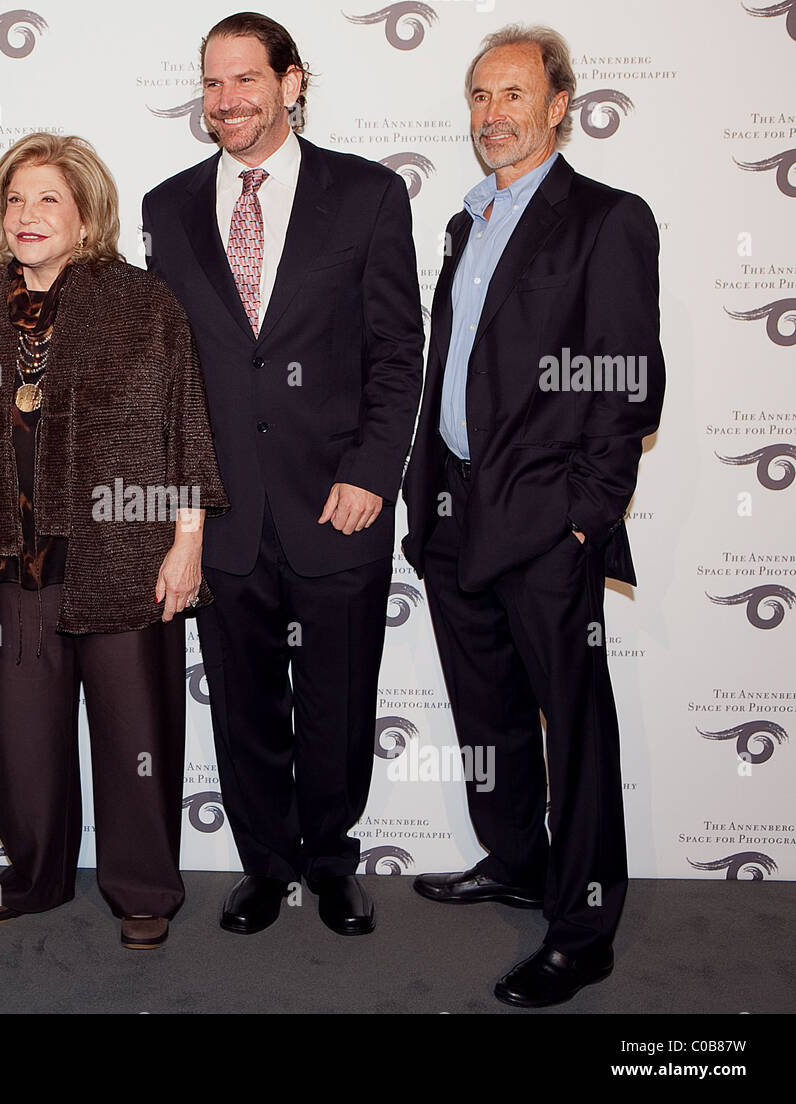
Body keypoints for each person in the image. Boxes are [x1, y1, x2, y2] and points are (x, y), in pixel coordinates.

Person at [142, 12, 424, 938]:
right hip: (223, 512)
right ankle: (265, 861)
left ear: (292, 82)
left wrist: (374, 471)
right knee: (245, 702)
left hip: (337, 501)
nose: (226, 101)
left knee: (341, 699)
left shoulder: (371, 195)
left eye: (245, 81)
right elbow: (168, 374)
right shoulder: (168, 205)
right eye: (212, 84)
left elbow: (395, 348)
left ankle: (332, 861)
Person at [401, 24, 665, 1007]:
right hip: (454, 513)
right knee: (487, 716)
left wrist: (584, 517)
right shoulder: (467, 221)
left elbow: (625, 377)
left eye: (512, 94)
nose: (490, 114)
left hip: (547, 519)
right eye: (478, 96)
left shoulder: (605, 218)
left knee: (575, 728)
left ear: (559, 105)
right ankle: (515, 859)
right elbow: (452, 373)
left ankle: (584, 923)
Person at [0, 132, 227, 950]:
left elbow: (184, 427)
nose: (27, 216)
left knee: (135, 735)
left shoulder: (143, 303)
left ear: (86, 215)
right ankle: (33, 876)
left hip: (121, 558)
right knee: (24, 742)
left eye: (48, 200)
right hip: (14, 564)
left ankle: (143, 886)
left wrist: (188, 541)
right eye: (15, 199)